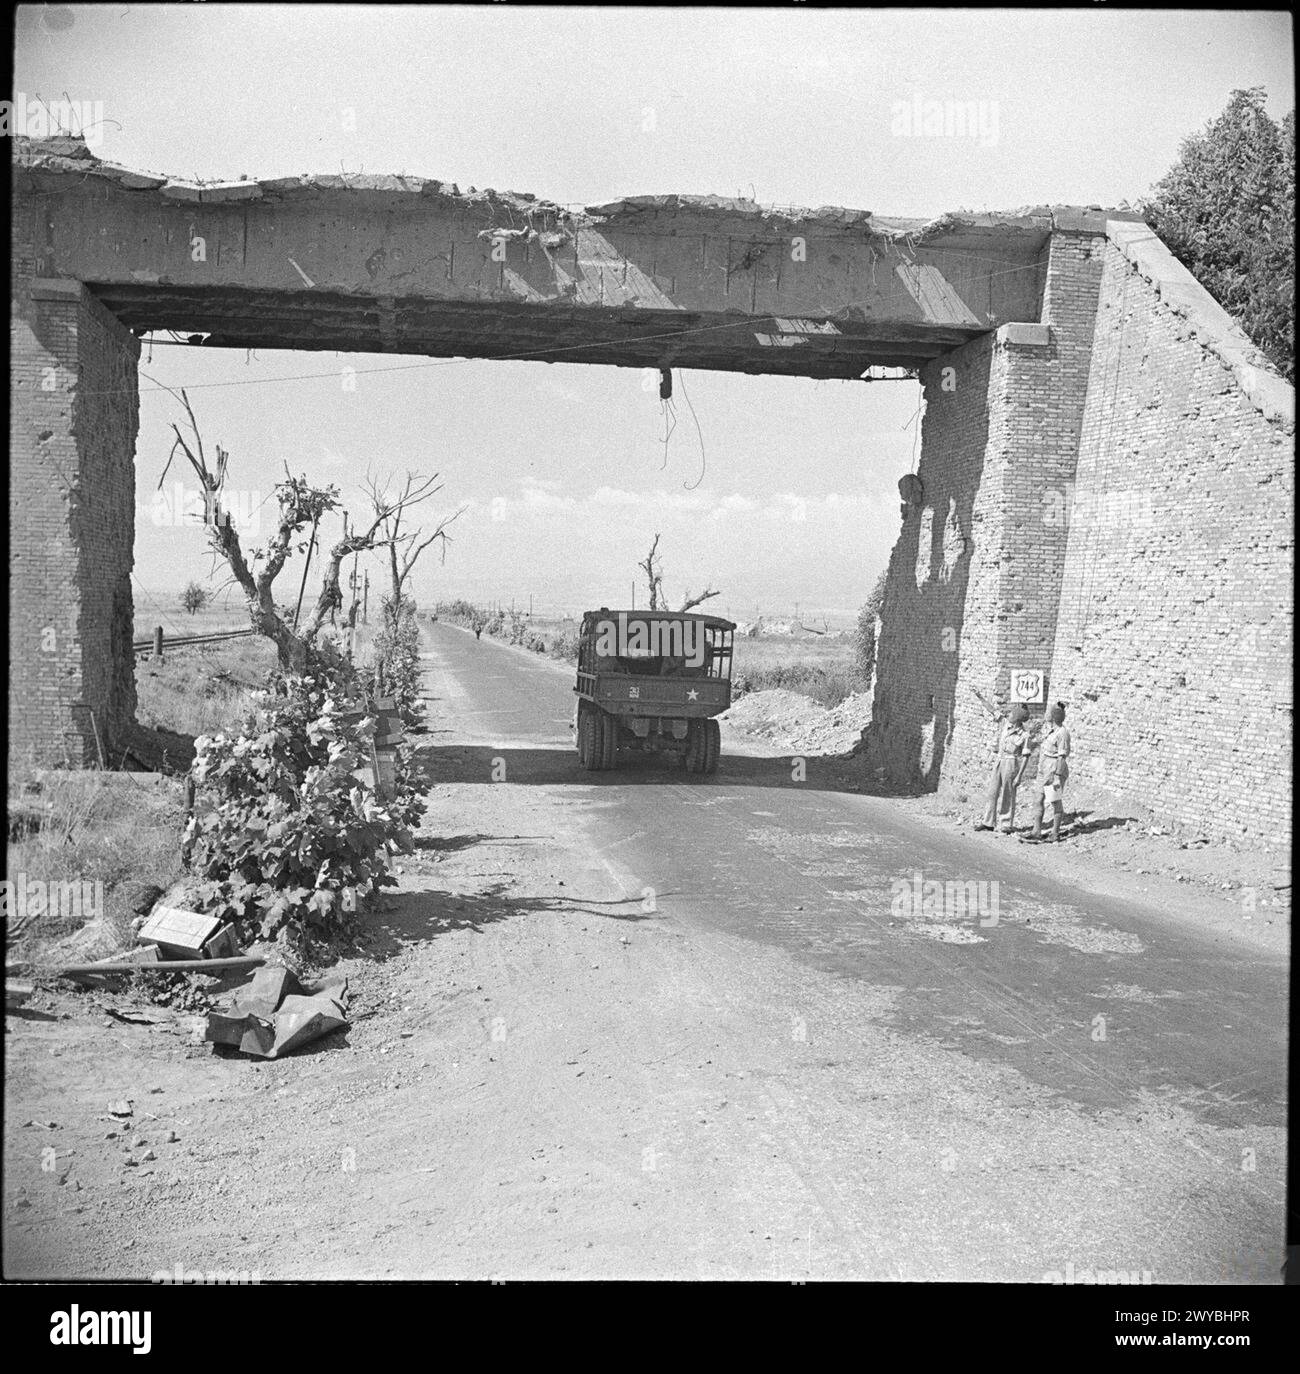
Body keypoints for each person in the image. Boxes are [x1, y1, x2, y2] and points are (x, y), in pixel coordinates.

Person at [975, 703, 1031, 833]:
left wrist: (1019, 776)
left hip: (1011, 763)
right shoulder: (1005, 724)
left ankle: (1006, 824)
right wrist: (980, 697)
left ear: (1017, 718)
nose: (1008, 715)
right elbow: (992, 711)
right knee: (992, 792)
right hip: (999, 760)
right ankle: (988, 822)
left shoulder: (1024, 735)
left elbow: (1026, 756)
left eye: (1011, 713)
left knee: (1008, 793)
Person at [1025, 702, 1071, 842]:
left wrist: (1057, 776)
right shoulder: (1050, 730)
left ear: (1053, 716)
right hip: (1043, 767)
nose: (1046, 714)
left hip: (1053, 768)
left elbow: (1062, 756)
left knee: (1054, 800)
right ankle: (1036, 831)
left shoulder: (1062, 733)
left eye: (1048, 712)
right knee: (1038, 798)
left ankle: (1055, 833)